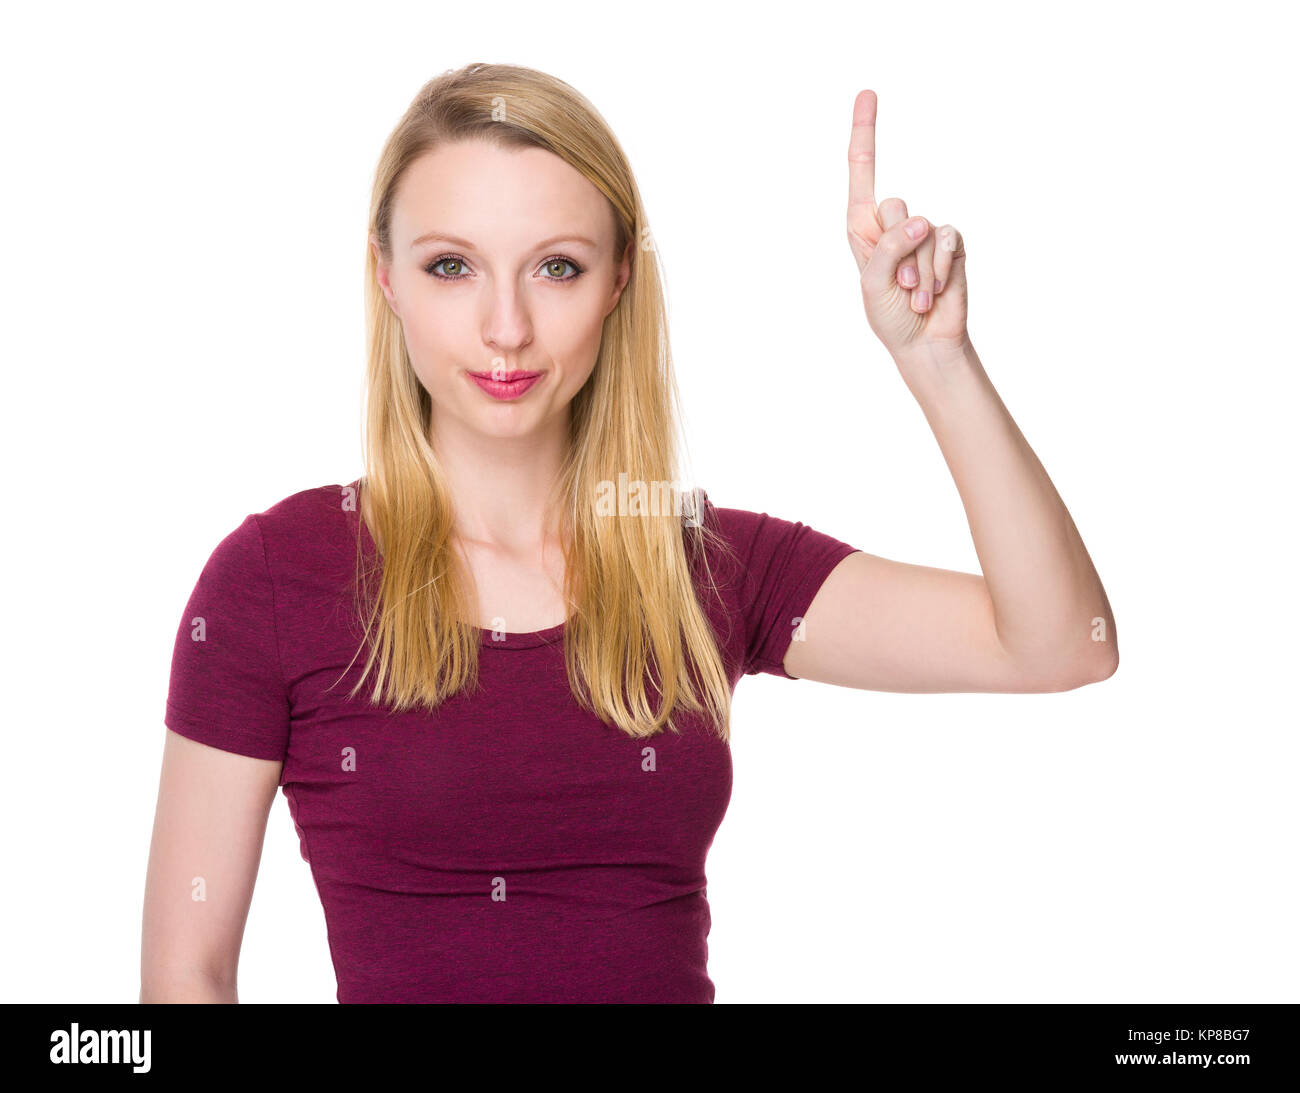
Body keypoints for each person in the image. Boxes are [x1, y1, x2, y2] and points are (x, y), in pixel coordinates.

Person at [140, 63, 1117, 1004]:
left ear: (617, 283)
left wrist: (936, 359)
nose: (506, 327)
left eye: (556, 268)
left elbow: (1058, 646)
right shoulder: (276, 577)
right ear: (386, 277)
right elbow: (185, 978)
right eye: (452, 267)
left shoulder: (705, 563)